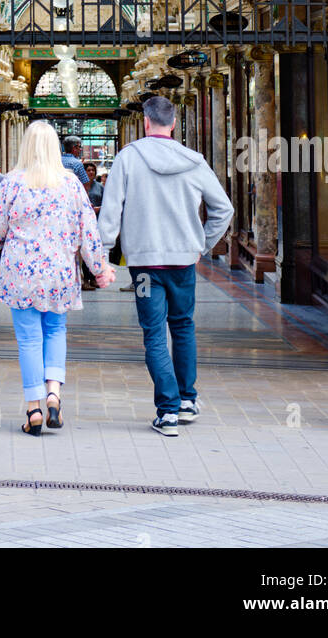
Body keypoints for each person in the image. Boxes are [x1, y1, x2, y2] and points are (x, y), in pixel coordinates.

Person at [97, 94, 234, 437]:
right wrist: (202, 244)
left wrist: (101, 255)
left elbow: (110, 213)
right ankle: (187, 400)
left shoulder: (127, 159)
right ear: (173, 124)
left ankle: (168, 410)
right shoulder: (194, 161)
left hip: (144, 267)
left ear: (145, 122)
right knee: (183, 326)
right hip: (182, 264)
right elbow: (224, 209)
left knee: (155, 333)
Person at [0, 120, 116, 435]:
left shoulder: (11, 183)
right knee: (55, 331)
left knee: (29, 339)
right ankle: (54, 393)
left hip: (22, 273)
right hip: (59, 272)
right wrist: (100, 268)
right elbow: (89, 230)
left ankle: (34, 409)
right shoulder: (70, 183)